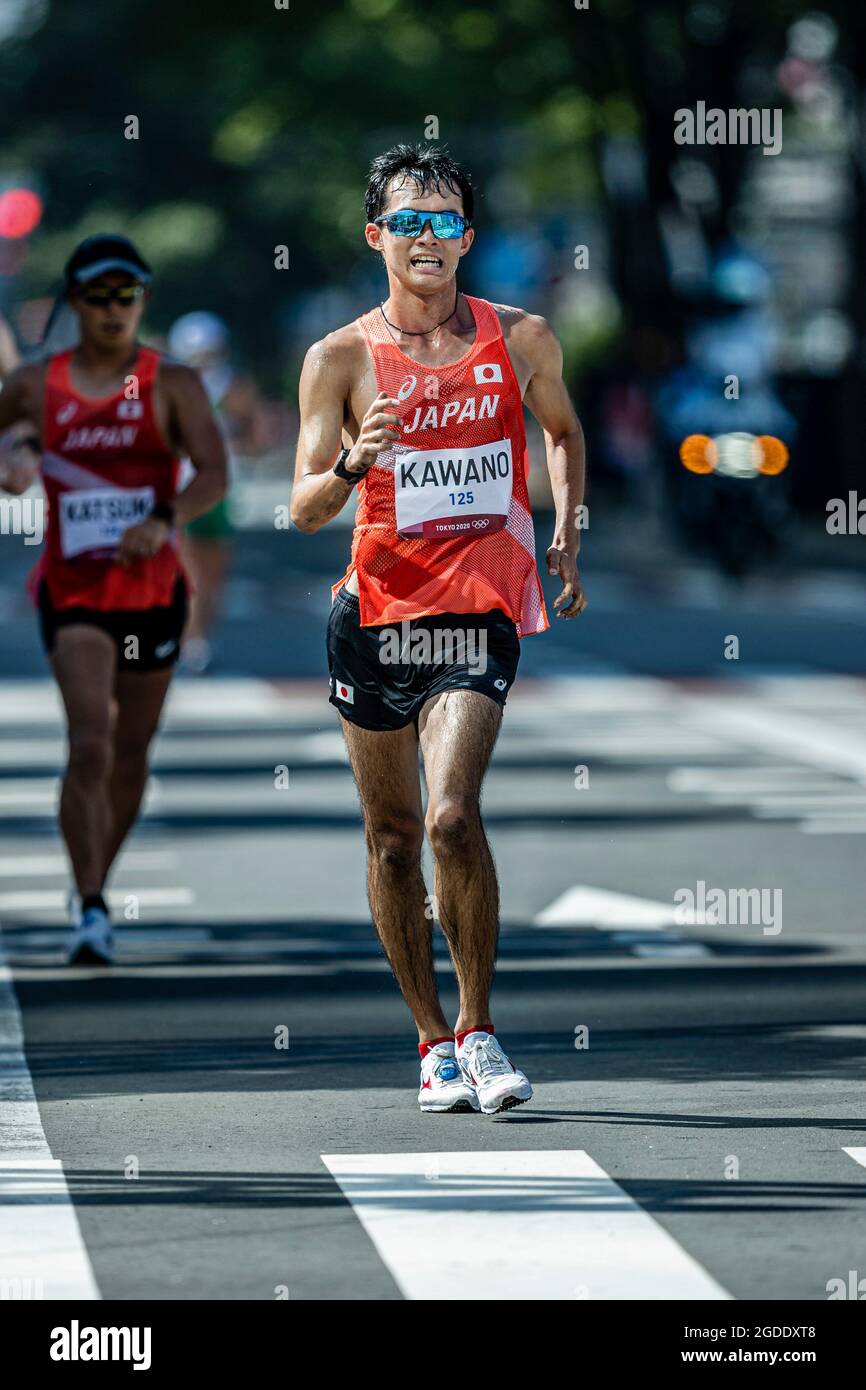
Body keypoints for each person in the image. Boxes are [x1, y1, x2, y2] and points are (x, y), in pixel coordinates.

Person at [291, 145, 587, 1115]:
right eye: (409, 220)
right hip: (373, 616)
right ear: (376, 235)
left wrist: (565, 530)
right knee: (389, 838)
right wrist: (348, 465)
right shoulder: (337, 357)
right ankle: (428, 1040)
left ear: (468, 236)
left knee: (450, 816)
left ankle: (479, 1028)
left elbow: (561, 430)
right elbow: (298, 510)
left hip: (475, 608)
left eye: (446, 219)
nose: (429, 236)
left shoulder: (522, 336)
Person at [0, 234, 227, 964]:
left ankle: (100, 878)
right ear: (74, 302)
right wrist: (16, 460)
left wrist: (164, 520)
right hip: (74, 593)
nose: (110, 308)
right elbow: (8, 459)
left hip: (154, 592)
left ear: (142, 301)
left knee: (132, 750)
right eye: (96, 295)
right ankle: (91, 902)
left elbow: (214, 476)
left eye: (124, 295)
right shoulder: (37, 384)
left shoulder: (172, 384)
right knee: (90, 739)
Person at [167, 311, 269, 674]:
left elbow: (256, 438)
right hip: (189, 489)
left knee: (214, 573)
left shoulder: (233, 389)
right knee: (193, 570)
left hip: (223, 492)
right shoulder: (176, 389)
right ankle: (191, 639)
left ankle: (200, 637)